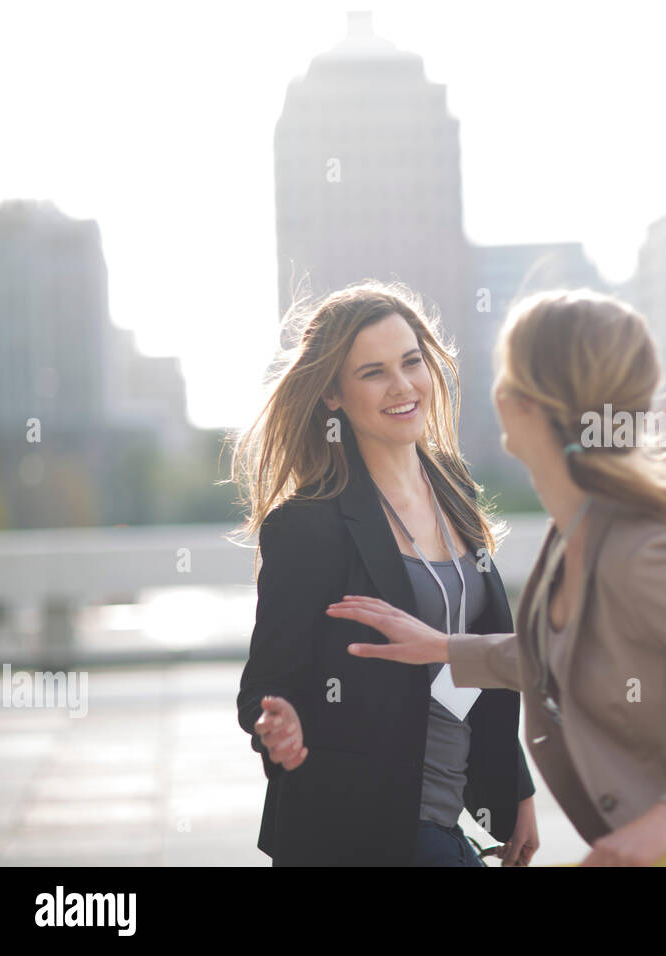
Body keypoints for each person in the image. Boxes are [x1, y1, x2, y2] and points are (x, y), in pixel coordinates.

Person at [329, 288, 666, 866]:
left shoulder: (647, 553)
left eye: (506, 372)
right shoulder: (575, 532)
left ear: (525, 402)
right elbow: (575, 653)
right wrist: (443, 649)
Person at [228, 281, 538, 866]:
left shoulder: (454, 490)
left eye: (411, 362)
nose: (402, 386)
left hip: (447, 820)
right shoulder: (309, 527)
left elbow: (467, 664)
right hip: (357, 832)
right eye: (373, 372)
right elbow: (265, 685)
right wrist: (280, 722)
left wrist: (514, 786)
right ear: (332, 396)